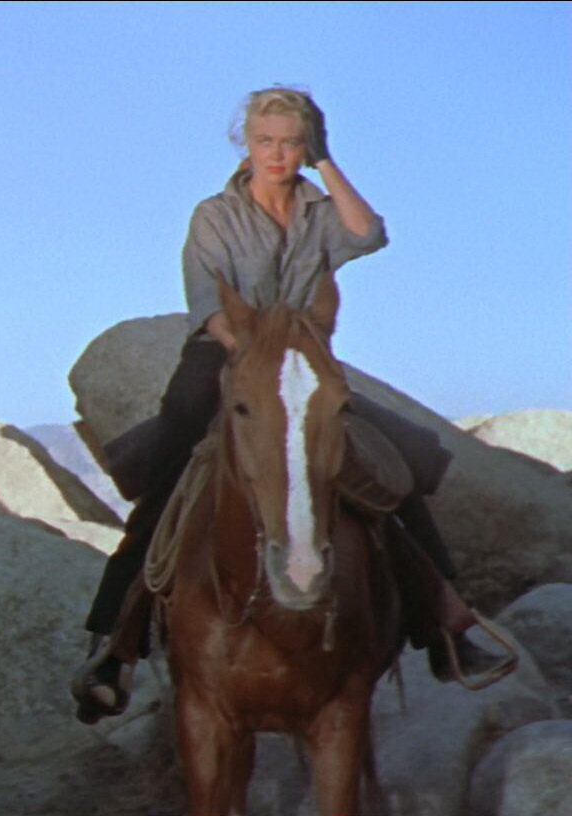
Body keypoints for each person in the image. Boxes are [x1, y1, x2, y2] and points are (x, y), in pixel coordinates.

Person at [72, 87, 516, 723]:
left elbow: (369, 233)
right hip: (225, 356)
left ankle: (447, 629)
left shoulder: (319, 212)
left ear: (306, 146)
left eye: (291, 142)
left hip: (301, 367)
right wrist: (257, 359)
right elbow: (210, 305)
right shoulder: (215, 216)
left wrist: (327, 163)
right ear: (246, 144)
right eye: (265, 141)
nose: (277, 154)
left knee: (392, 470)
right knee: (169, 486)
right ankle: (112, 646)